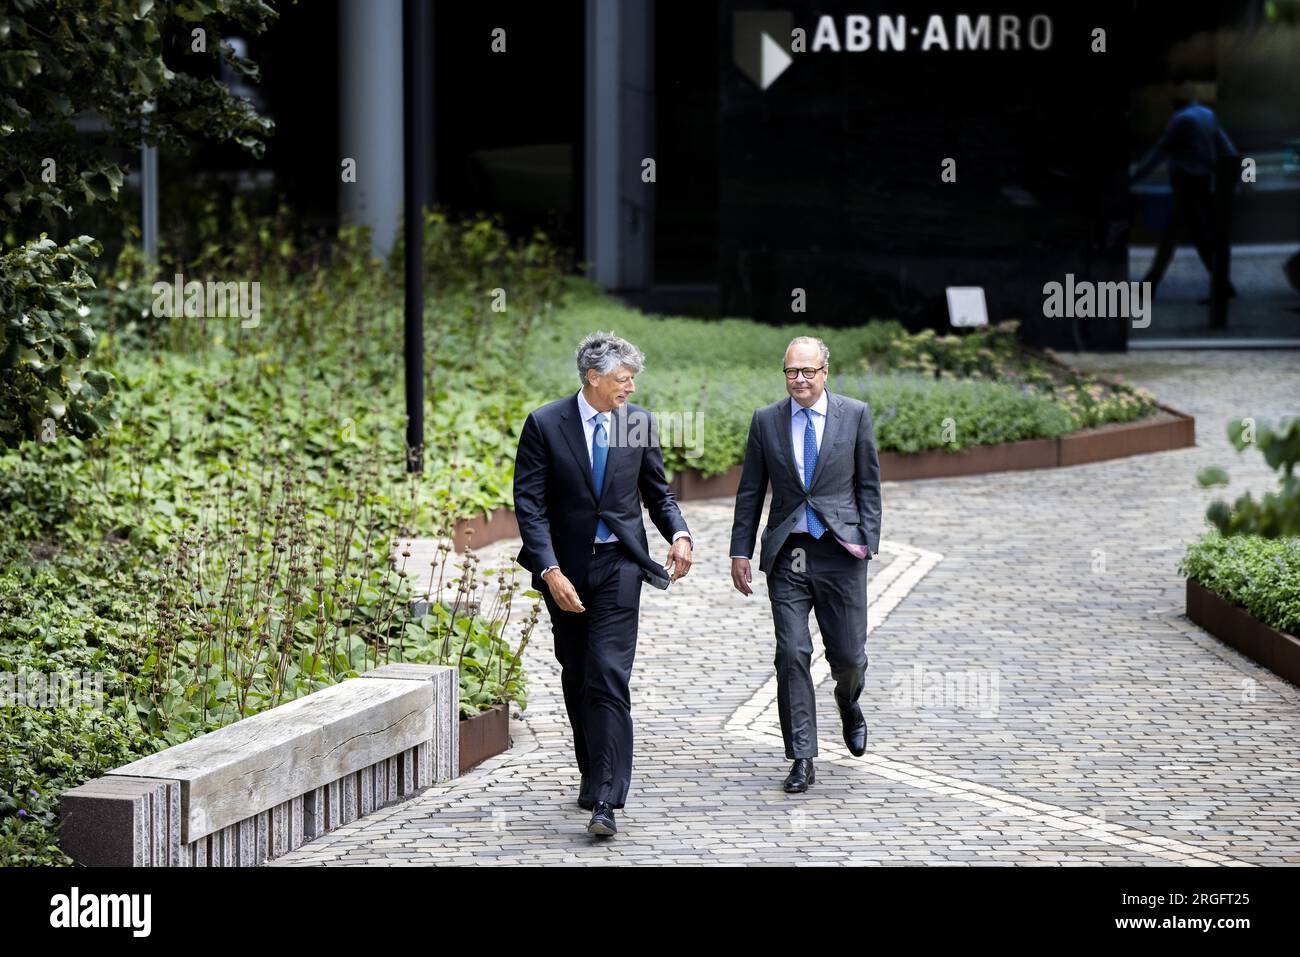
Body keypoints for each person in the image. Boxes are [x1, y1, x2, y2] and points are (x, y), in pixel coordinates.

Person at [513, 331, 693, 836]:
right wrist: (550, 572)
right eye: (622, 378)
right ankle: (592, 773)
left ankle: (607, 801)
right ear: (593, 378)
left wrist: (679, 534)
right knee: (577, 671)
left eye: (633, 378)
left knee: (609, 673)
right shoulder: (546, 424)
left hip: (620, 565)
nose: (630, 388)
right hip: (565, 571)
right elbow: (529, 504)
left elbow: (657, 493)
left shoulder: (636, 424)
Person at [728, 336, 882, 793]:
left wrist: (866, 540)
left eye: (807, 372)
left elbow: (869, 485)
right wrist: (741, 550)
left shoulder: (854, 415)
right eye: (792, 371)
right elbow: (750, 491)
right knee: (792, 653)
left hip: (841, 553)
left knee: (849, 658)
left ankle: (848, 702)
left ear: (824, 373)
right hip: (788, 556)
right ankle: (802, 756)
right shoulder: (767, 421)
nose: (799, 379)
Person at [1131, 83, 1238, 298]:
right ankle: (1151, 284)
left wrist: (1132, 178)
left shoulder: (1180, 121)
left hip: (1185, 185)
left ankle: (1222, 287)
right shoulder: (1208, 115)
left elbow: (1158, 153)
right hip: (1204, 184)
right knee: (1186, 236)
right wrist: (1243, 180)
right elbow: (1229, 150)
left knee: (1188, 237)